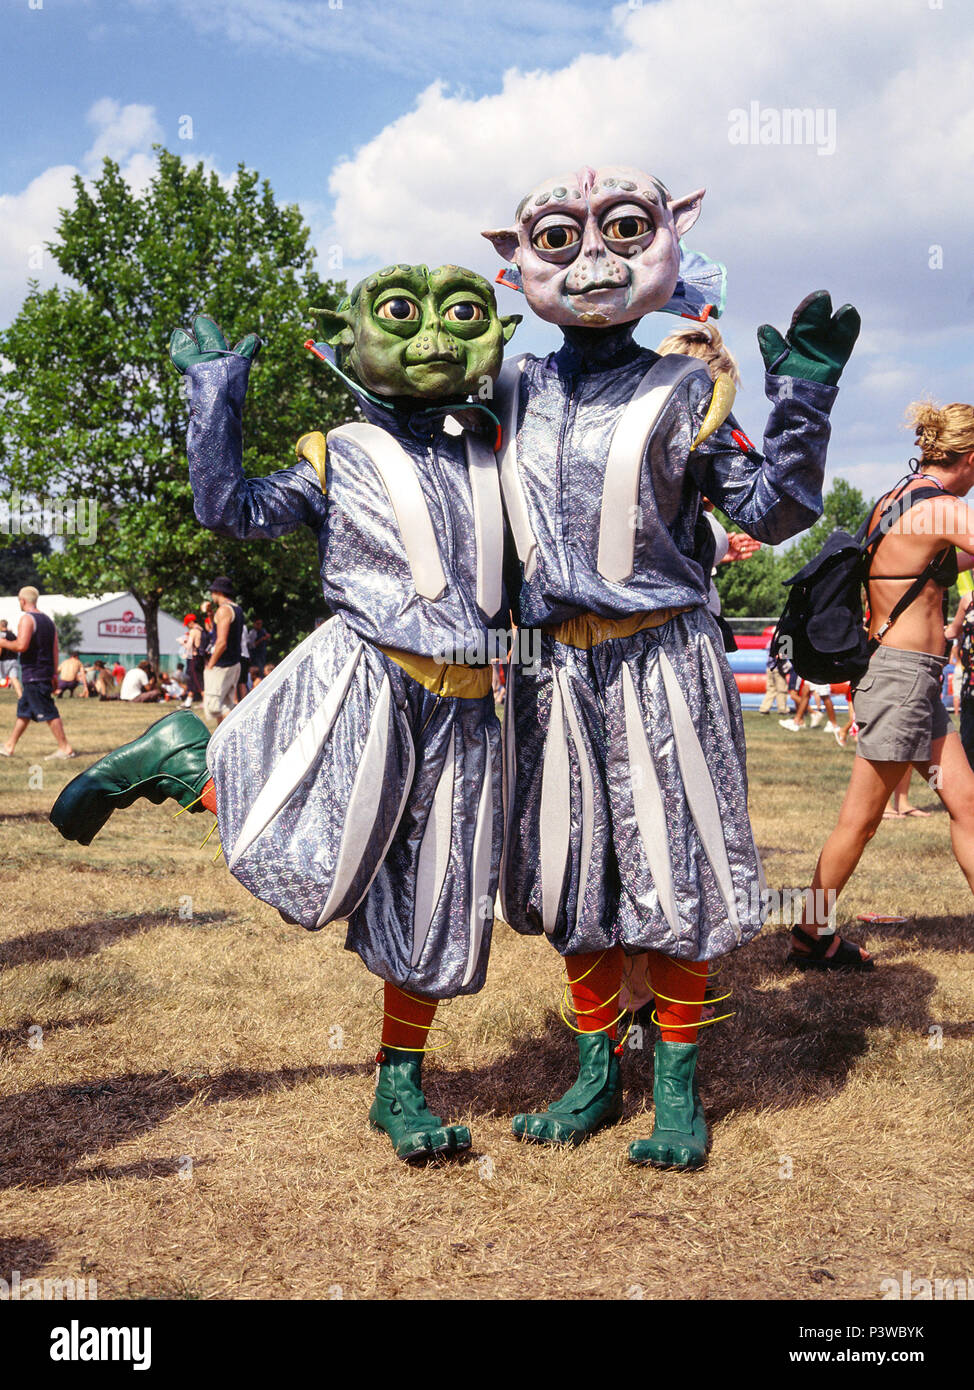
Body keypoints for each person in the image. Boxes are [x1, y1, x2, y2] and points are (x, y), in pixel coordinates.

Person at [51, 270, 520, 1164]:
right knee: (311, 851)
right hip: (364, 681)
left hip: (466, 709)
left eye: (463, 314)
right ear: (347, 339)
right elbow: (228, 509)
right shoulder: (338, 453)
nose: (434, 339)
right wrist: (214, 395)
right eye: (402, 314)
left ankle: (400, 1089)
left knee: (437, 899)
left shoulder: (498, 454)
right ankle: (185, 761)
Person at [484, 163, 858, 1167]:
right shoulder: (506, 389)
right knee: (571, 875)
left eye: (622, 229)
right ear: (516, 266)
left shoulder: (684, 383)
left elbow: (772, 511)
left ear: (668, 239)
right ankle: (595, 1074)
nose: (596, 257)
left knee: (669, 871)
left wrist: (805, 399)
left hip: (662, 660)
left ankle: (679, 1096)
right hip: (551, 667)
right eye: (561, 238)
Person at [791, 401, 974, 970]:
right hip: (899, 678)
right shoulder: (943, 508)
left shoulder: (901, 496)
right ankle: (809, 933)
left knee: (966, 801)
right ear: (969, 457)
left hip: (909, 679)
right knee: (861, 820)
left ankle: (809, 930)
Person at [0, 587, 76, 759]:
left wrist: (3, 643)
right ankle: (9, 746)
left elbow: (21, 646)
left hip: (34, 673)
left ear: (23, 600)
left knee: (48, 711)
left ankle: (65, 748)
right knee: (24, 712)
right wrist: (54, 674)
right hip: (42, 672)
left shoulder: (27, 619)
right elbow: (55, 649)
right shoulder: (49, 621)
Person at [202, 579, 244, 725]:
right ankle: (226, 743)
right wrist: (209, 614)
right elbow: (213, 631)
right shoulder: (236, 609)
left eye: (212, 592)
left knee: (214, 707)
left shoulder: (224, 610)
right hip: (234, 662)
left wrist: (210, 665)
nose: (211, 595)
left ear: (218, 592)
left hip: (222, 664)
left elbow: (221, 642)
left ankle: (234, 733)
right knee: (225, 705)